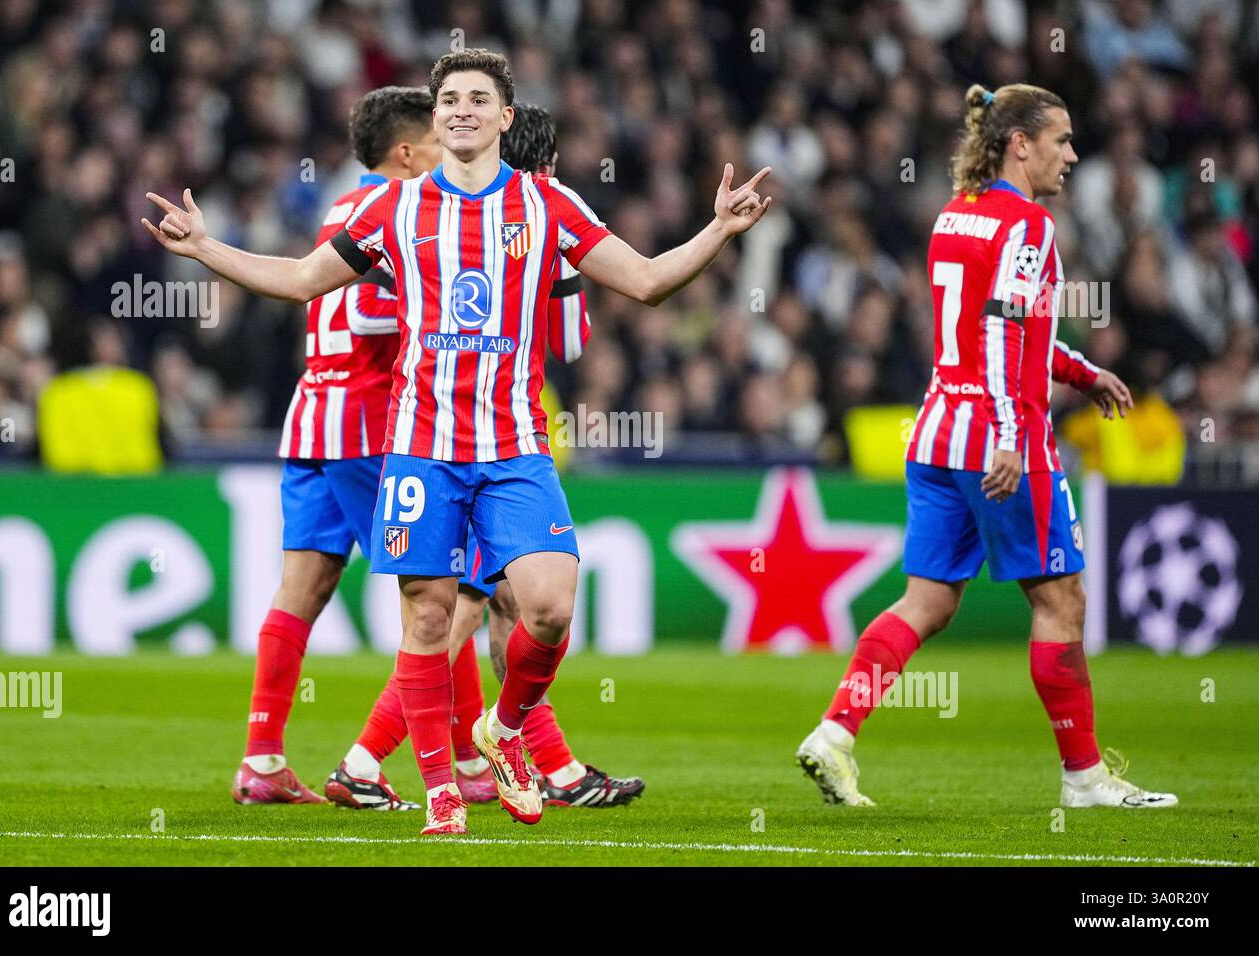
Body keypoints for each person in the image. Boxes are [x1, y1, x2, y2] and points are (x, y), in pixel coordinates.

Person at [144, 48, 772, 835]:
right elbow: (302, 281)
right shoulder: (393, 209)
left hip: (514, 448)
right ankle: (442, 796)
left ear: (506, 118)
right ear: (435, 118)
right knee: (431, 620)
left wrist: (717, 229)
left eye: (479, 99)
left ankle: (502, 731)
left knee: (547, 607)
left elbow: (645, 280)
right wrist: (206, 249)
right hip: (419, 449)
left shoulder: (548, 207)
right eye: (449, 101)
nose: (462, 111)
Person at [794, 83, 1177, 810]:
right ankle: (1085, 777)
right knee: (1061, 600)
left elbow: (994, 331)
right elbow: (1002, 331)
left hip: (938, 430)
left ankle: (835, 734)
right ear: (1019, 143)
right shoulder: (1028, 226)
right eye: (1061, 140)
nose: (1072, 154)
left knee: (928, 601)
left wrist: (1082, 370)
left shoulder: (955, 215)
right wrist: (1008, 433)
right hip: (1003, 440)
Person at [332, 102, 644, 810]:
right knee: (463, 610)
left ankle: (540, 765)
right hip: (457, 438)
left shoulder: (461, 217)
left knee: (493, 606)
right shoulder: (505, 219)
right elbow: (568, 342)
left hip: (492, 438)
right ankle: (373, 759)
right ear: (546, 166)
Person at [230, 86, 441, 809]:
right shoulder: (403, 210)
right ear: (408, 152)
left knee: (305, 589)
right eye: (441, 144)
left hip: (313, 415)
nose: (455, 159)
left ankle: (262, 759)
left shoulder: (340, 210)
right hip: (368, 425)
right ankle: (436, 769)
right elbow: (387, 315)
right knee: (444, 594)